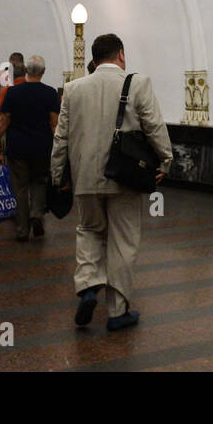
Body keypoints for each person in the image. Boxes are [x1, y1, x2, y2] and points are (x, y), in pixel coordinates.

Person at [51, 34, 172, 331]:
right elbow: (154, 125)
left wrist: (58, 175)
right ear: (121, 55)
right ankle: (117, 312)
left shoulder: (73, 89)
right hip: (124, 177)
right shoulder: (137, 83)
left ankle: (89, 287)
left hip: (85, 177)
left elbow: (61, 137)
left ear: (93, 59)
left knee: (89, 231)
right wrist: (165, 159)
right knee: (123, 240)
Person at [0, 55, 60, 242]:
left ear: (26, 72)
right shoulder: (50, 93)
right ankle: (37, 215)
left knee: (20, 187)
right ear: (43, 72)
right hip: (42, 146)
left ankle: (22, 229)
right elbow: (54, 123)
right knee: (39, 181)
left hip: (18, 147)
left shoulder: (12, 92)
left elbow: (3, 121)